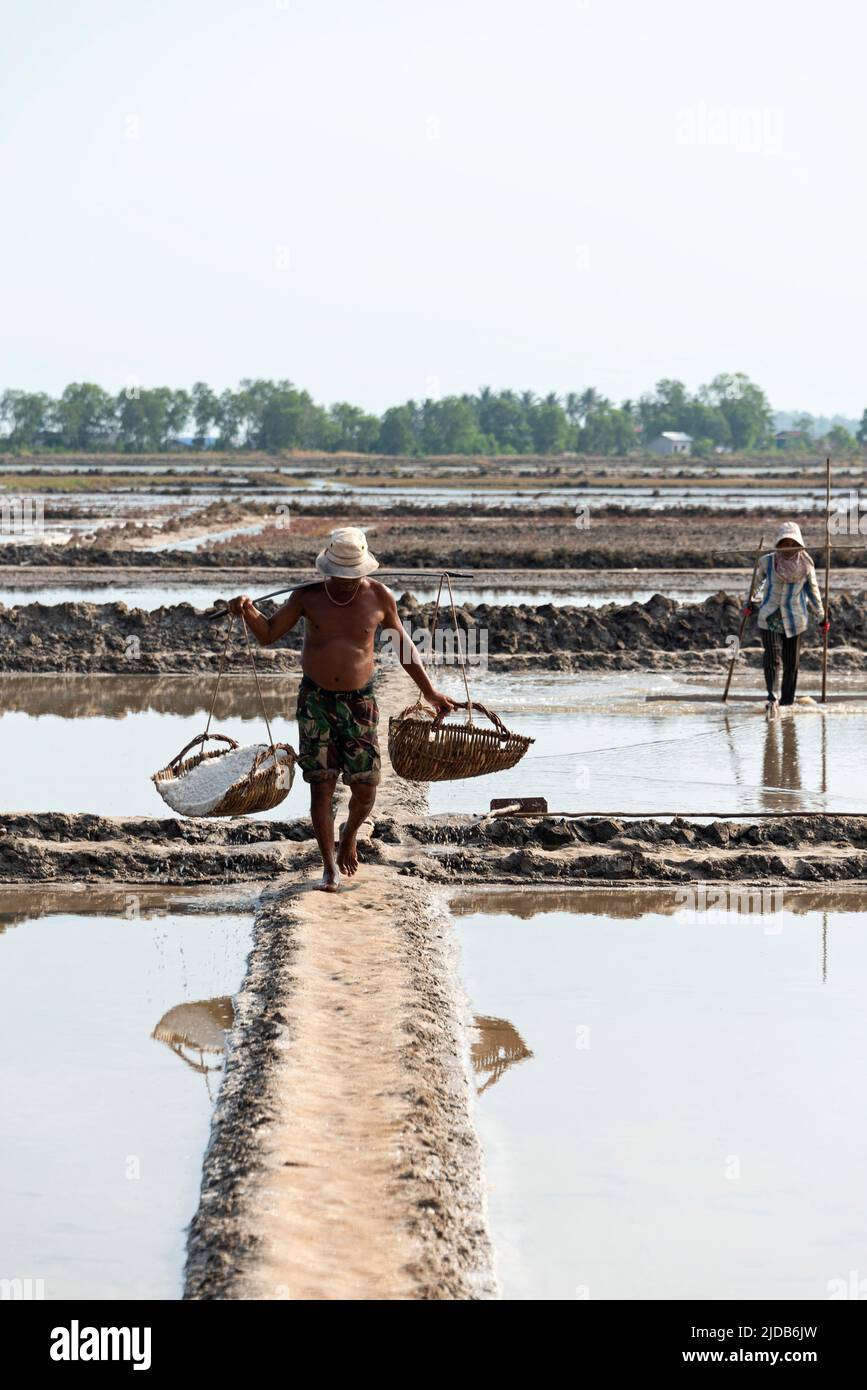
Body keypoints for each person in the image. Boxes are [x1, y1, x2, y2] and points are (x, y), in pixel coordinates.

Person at [227, 527, 455, 892]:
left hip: (359, 702)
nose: (348, 583)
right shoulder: (307, 597)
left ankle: (348, 834)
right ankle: (328, 865)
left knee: (366, 787)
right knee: (322, 785)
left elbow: (403, 646)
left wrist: (429, 692)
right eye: (341, 575)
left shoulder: (379, 597)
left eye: (354, 575)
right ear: (327, 569)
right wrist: (247, 610)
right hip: (316, 702)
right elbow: (268, 633)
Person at [745, 522, 828, 708]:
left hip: (795, 618)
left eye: (793, 544)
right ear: (779, 544)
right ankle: (773, 697)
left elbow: (813, 593)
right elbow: (756, 584)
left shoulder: (806, 565)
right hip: (770, 616)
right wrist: (748, 601)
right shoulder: (767, 561)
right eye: (785, 543)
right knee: (772, 657)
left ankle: (787, 702)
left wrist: (822, 617)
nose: (789, 548)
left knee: (791, 662)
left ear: (799, 544)